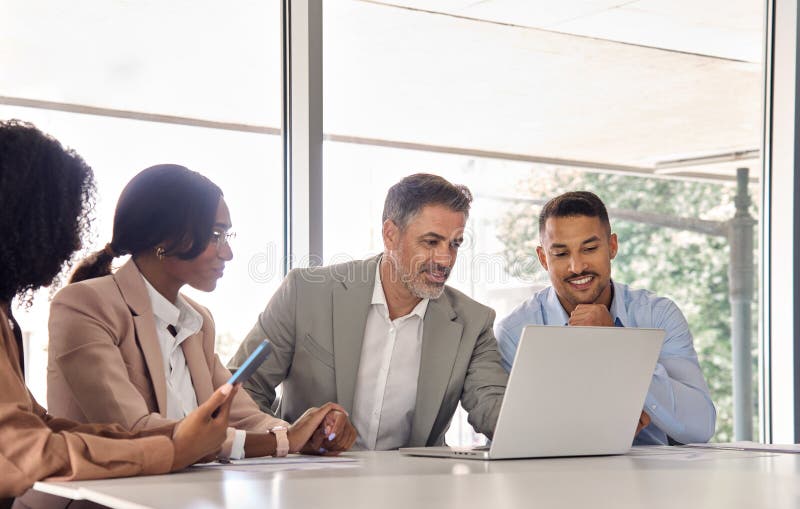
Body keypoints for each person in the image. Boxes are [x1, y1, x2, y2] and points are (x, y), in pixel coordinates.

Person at [0, 120, 246, 506]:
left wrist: (178, 441)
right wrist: (175, 449)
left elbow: (37, 424)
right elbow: (20, 451)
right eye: (58, 220)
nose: (72, 240)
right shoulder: (85, 305)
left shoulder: (3, 316)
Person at [46, 164, 356, 461]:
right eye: (215, 235)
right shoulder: (84, 306)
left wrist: (303, 433)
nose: (228, 252)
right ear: (164, 240)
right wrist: (283, 441)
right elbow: (134, 432)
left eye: (227, 236)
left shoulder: (198, 321)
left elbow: (245, 417)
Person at [229, 173, 508, 450]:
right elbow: (242, 389)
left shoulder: (473, 322)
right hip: (310, 479)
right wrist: (288, 437)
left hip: (417, 486)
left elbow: (492, 406)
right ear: (390, 234)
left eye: (455, 243)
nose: (445, 259)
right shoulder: (305, 293)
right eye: (431, 242)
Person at [494, 191, 716, 445]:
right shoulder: (514, 333)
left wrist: (617, 344)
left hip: (653, 477)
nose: (576, 267)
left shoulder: (658, 315)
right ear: (544, 258)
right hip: (555, 479)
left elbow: (700, 427)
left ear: (612, 246)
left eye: (589, 249)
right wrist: (598, 432)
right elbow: (512, 440)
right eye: (561, 254)